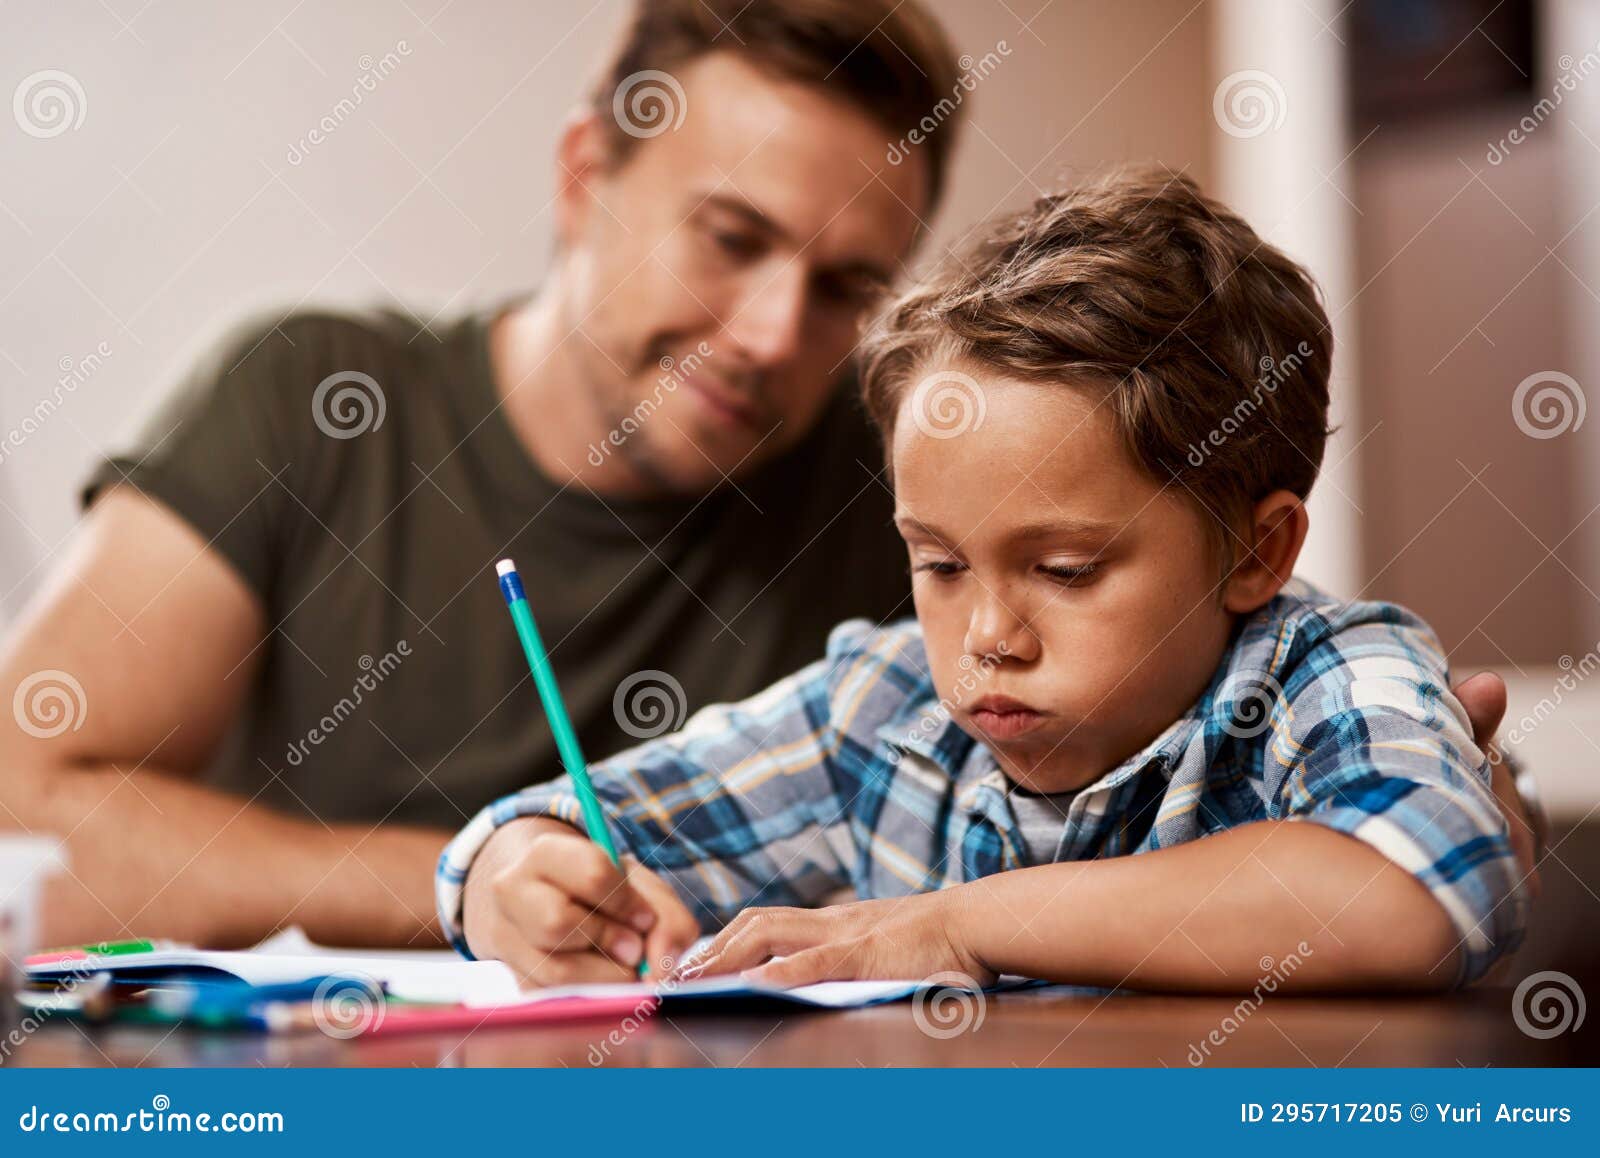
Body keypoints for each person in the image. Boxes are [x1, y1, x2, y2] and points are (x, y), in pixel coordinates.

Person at [0, 0, 964, 948]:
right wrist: (487, 883)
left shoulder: (899, 488)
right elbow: (22, 809)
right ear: (584, 175)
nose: (772, 334)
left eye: (847, 290)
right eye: (732, 239)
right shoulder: (318, 400)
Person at [442, 170, 1532, 992]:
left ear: (1256, 552)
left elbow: (1414, 886)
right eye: (939, 564)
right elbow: (559, 830)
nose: (986, 639)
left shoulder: (1326, 672)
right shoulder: (880, 711)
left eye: (1064, 569)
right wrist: (517, 874)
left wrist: (951, 923)